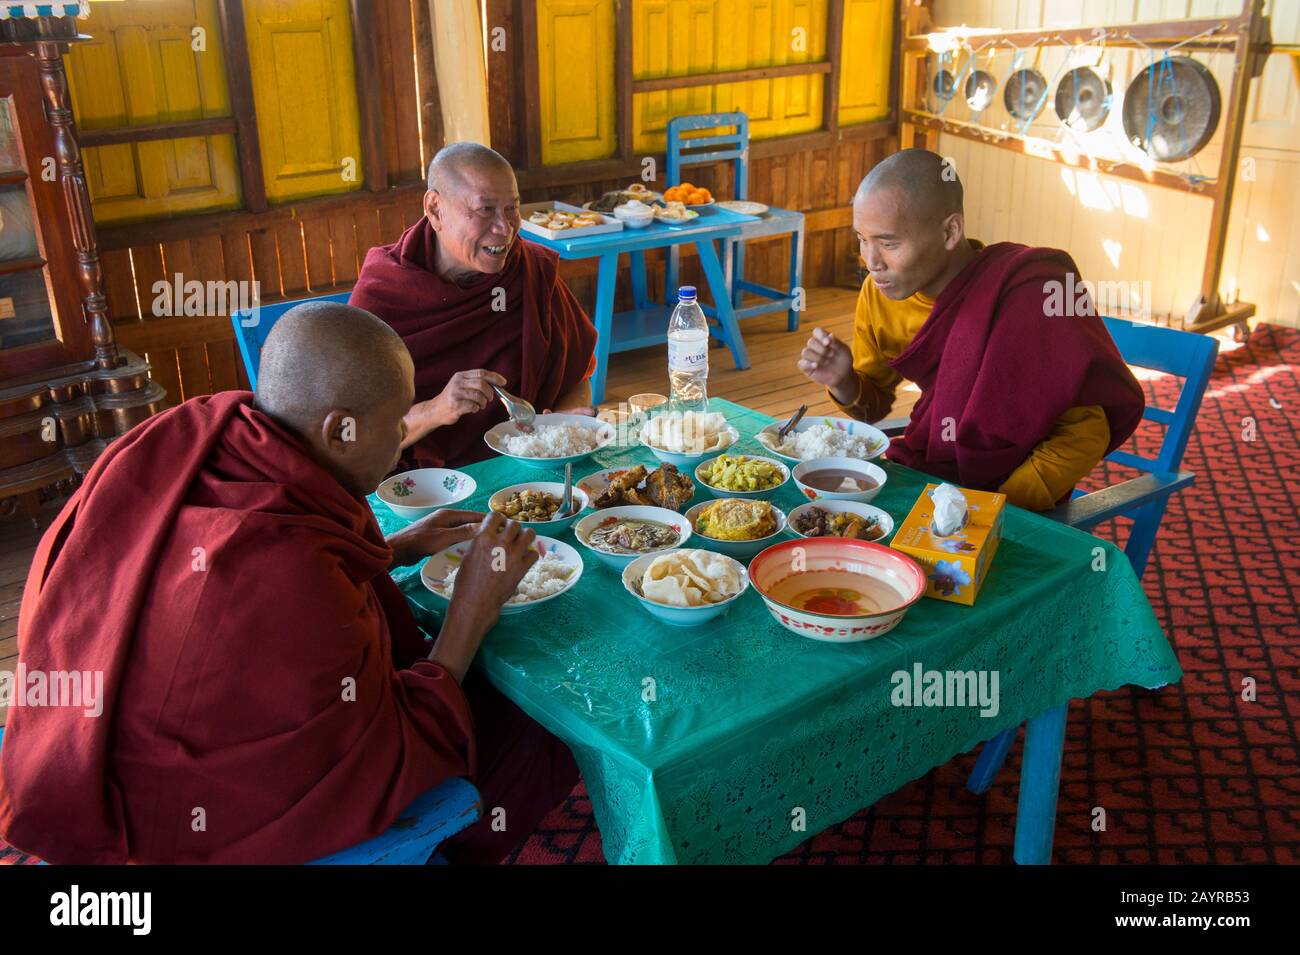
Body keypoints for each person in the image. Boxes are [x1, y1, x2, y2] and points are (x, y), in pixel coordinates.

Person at [0, 302, 578, 864]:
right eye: (397, 421)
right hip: (187, 814)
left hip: (90, 735)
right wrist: (470, 610)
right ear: (340, 432)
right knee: (540, 723)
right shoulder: (284, 569)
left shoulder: (205, 431)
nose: (405, 433)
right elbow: (382, 751)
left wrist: (390, 549)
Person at [798, 148, 1145, 510]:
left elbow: (1086, 433)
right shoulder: (879, 293)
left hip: (1016, 494)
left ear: (950, 230)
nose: (871, 262)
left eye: (888, 243)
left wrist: (994, 509)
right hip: (930, 470)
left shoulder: (1032, 293)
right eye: (861, 239)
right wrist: (843, 381)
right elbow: (873, 410)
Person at [350, 142, 599, 469]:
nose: (505, 228)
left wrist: (567, 421)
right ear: (436, 209)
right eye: (485, 210)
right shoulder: (384, 293)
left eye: (512, 208)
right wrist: (437, 409)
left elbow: (576, 375)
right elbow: (358, 437)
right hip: (423, 487)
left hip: (529, 468)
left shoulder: (530, 271)